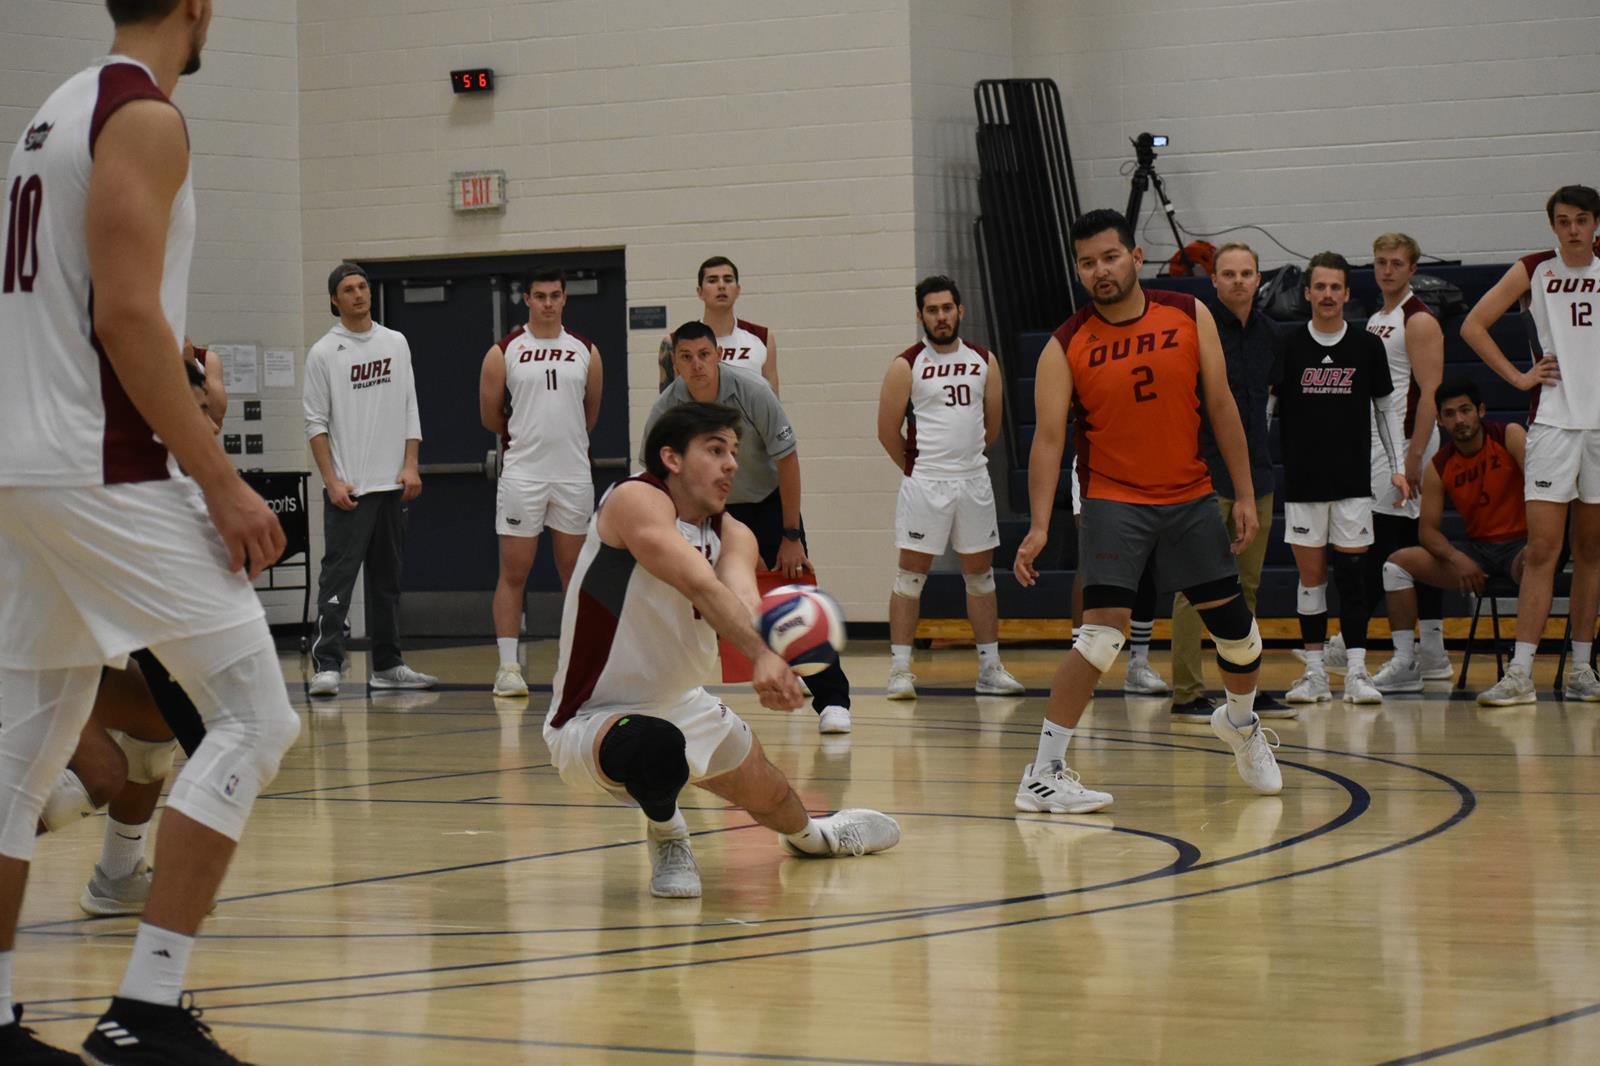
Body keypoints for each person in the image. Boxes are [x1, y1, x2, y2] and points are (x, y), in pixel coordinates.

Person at [0, 3, 303, 1062]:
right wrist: (220, 480)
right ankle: (147, 1010)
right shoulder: (145, 113)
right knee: (257, 719)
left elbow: (91, 307)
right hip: (100, 469)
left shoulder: (52, 110)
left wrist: (178, 381)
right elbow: (122, 317)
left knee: (25, 747)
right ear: (196, 7)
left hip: (24, 469)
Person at [543, 403, 899, 899]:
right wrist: (761, 655)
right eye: (715, 450)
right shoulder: (633, 500)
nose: (732, 463)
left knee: (772, 794)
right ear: (671, 458)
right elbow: (702, 588)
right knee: (656, 745)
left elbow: (740, 598)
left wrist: (777, 649)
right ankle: (669, 835)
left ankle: (818, 838)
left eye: (734, 451)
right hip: (592, 718)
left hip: (684, 704)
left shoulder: (735, 533)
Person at [1013, 209, 1283, 813]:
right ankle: (1043, 772)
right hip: (1115, 500)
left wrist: (1242, 492)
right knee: (1101, 636)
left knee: (1239, 639)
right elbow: (1049, 440)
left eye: (1110, 257)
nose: (1099, 271)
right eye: (1086, 263)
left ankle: (1240, 724)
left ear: (1136, 258)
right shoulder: (1065, 344)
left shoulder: (1189, 314)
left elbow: (1221, 404)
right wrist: (1037, 526)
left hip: (1188, 497)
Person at [645, 323, 854, 734]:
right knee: (684, 604)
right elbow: (656, 475)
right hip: (704, 512)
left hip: (765, 504)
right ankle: (675, 703)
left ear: (718, 355)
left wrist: (790, 534)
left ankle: (833, 702)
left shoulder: (753, 391)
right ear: (676, 363)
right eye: (686, 357)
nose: (696, 364)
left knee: (792, 601)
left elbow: (788, 459)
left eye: (704, 354)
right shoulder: (667, 408)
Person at [1463, 184, 1600, 705]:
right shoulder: (1534, 269)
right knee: (1544, 550)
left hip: (1599, 430)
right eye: (1563, 220)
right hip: (1553, 427)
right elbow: (1475, 325)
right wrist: (1519, 378)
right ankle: (1521, 672)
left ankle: (1582, 670)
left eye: (1582, 220)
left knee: (1591, 552)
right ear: (1553, 226)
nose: (1572, 229)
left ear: (1595, 224)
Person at [875, 275, 1024, 699]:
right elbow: (887, 432)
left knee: (980, 577)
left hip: (973, 482)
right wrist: (920, 466)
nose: (940, 317)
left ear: (961, 311)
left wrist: (965, 459)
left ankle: (990, 668)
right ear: (921, 315)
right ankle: (900, 671)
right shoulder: (906, 364)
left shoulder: (984, 360)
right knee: (910, 578)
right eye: (932, 310)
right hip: (926, 483)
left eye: (947, 308)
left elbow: (991, 425)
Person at [1168, 243, 1295, 721]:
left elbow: (1268, 398)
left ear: (1258, 278)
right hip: (1201, 477)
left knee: (1247, 587)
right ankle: (1186, 692)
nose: (1239, 281)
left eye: (1247, 273)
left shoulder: (1272, 335)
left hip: (1256, 475)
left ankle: (1244, 688)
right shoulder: (1194, 332)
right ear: (1214, 280)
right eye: (1229, 273)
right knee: (1191, 589)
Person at [1276, 252, 1408, 705]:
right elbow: (1267, 414)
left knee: (1352, 578)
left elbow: (1386, 410)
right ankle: (1314, 675)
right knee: (1311, 581)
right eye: (1320, 287)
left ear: (1347, 294)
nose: (1328, 295)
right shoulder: (1290, 347)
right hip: (1303, 485)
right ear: (1308, 292)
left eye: (1336, 287)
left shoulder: (1367, 346)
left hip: (1353, 484)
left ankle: (1356, 673)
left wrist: (1399, 466)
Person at [303, 261, 437, 697]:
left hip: (392, 484)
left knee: (387, 580)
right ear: (334, 300)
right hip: (351, 489)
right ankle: (328, 663)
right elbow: (315, 423)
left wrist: (410, 464)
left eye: (363, 286)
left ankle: (388, 663)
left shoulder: (395, 342)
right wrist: (331, 480)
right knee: (338, 579)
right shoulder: (324, 352)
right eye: (349, 289)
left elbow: (411, 406)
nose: (359, 294)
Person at [479, 267, 603, 697]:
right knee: (515, 571)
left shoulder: (586, 350)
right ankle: (508, 668)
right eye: (540, 295)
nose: (548, 302)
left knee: (575, 572)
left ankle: (573, 665)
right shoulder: (505, 350)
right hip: (523, 474)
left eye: (555, 295)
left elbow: (590, 413)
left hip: (572, 474)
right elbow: (490, 415)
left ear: (565, 298)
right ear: (527, 300)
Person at [1376, 380, 1529, 695]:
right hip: (1477, 552)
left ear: (1480, 411)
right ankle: (1405, 662)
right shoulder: (1439, 465)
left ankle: (1522, 666)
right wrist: (1456, 558)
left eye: (1465, 410)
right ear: (1440, 421)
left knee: (1537, 562)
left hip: (1521, 547)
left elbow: (1546, 492)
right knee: (1396, 565)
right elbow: (1427, 532)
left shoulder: (1509, 436)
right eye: (1450, 414)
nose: (1459, 420)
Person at [1345, 233, 1450, 689]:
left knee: (1402, 544)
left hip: (1409, 444)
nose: (1387, 270)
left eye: (1396, 263)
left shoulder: (1419, 320)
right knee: (1395, 543)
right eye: (1380, 262)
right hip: (1378, 445)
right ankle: (1429, 651)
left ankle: (1424, 649)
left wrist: (1412, 456)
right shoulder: (1376, 318)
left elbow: (1430, 393)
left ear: (1412, 269)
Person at [658, 256, 782, 394]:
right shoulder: (673, 341)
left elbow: (773, 402)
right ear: (700, 292)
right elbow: (667, 405)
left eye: (728, 280)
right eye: (712, 280)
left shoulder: (763, 337)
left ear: (738, 290)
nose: (721, 286)